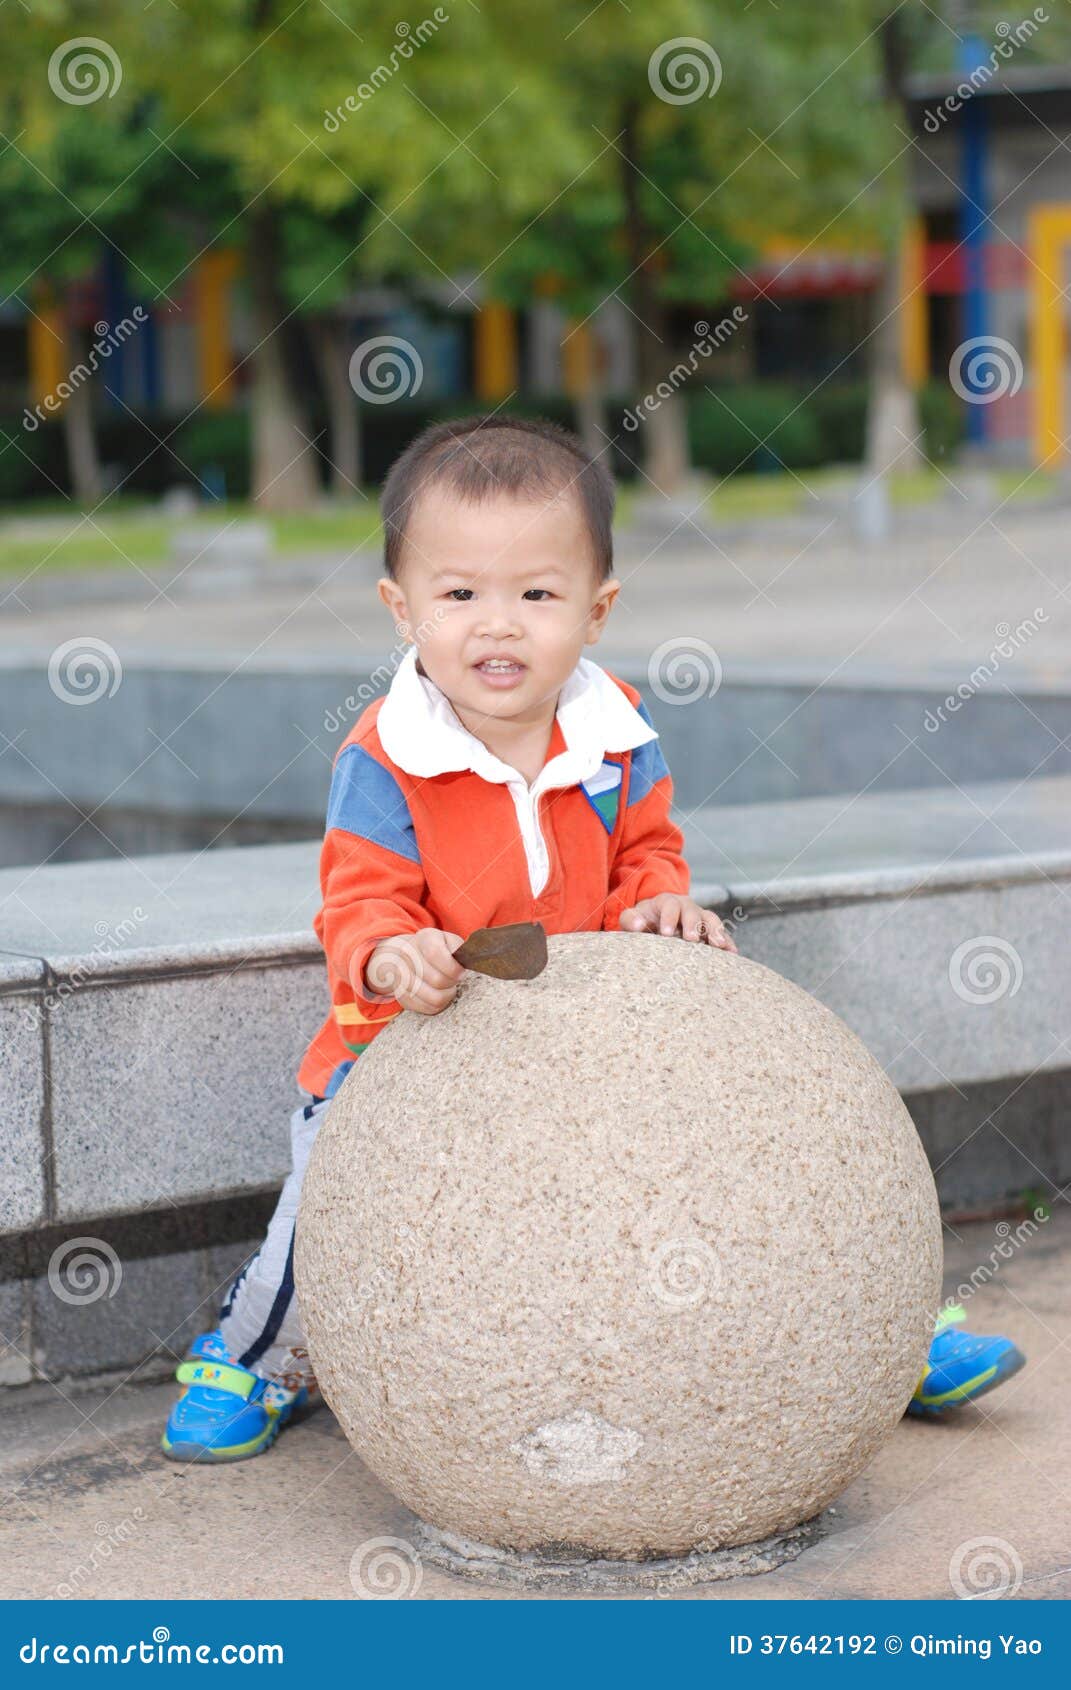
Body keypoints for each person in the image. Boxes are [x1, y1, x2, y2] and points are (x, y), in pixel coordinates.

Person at [161, 413, 1024, 1462]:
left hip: (587, 1051)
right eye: (460, 593)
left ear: (597, 608)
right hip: (408, 1048)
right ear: (402, 608)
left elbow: (645, 856)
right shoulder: (387, 756)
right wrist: (394, 953)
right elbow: (359, 901)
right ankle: (257, 1357)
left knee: (754, 1149)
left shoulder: (616, 732)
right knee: (323, 1205)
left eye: (537, 594)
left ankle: (878, 1327)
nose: (499, 626)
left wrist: (660, 904)